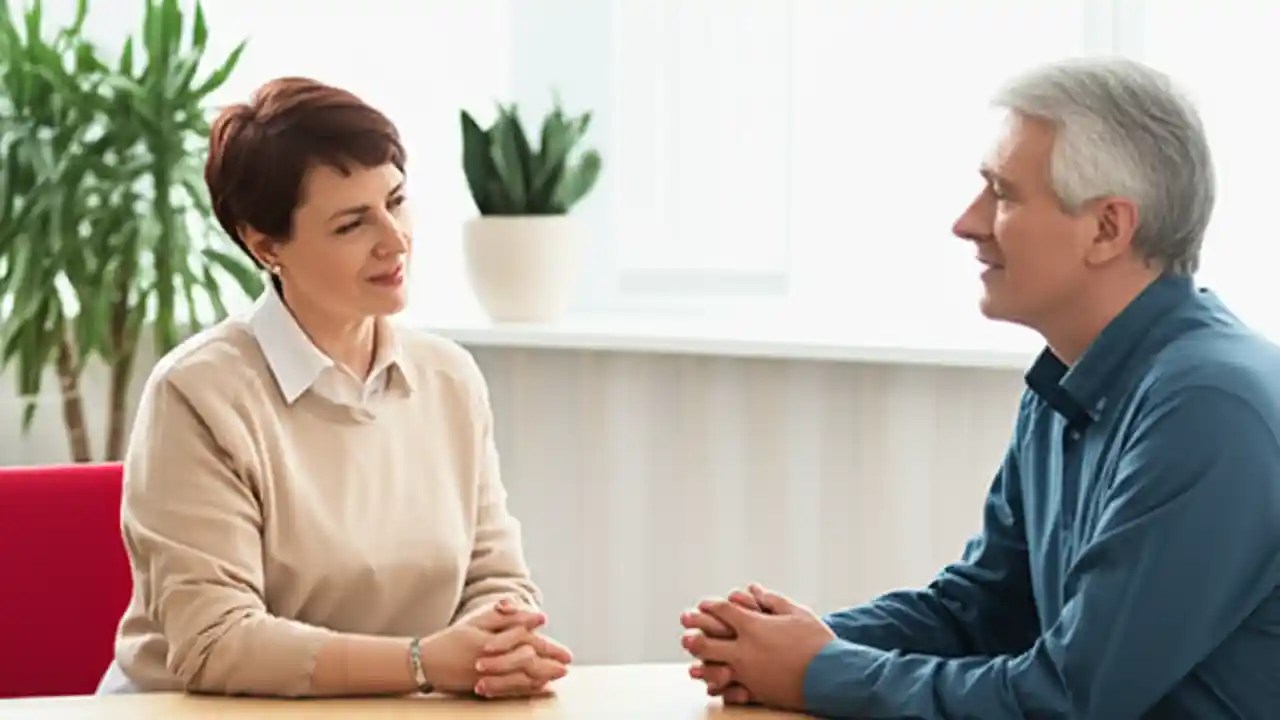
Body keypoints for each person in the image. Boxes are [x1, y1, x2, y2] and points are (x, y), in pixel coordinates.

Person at [680, 57, 1280, 718]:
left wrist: (820, 671)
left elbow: (1068, 699)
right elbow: (985, 611)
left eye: (1003, 193)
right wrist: (784, 644)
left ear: (1108, 228)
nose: (967, 222)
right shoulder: (1070, 381)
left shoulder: (1211, 408)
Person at [97, 77, 572, 699]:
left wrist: (502, 640)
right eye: (352, 224)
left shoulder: (449, 379)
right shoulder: (198, 394)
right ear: (265, 244)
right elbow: (215, 642)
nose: (394, 239)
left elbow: (495, 579)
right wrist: (421, 662)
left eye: (396, 202)